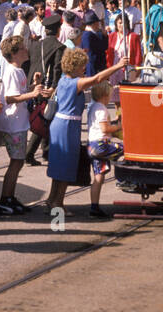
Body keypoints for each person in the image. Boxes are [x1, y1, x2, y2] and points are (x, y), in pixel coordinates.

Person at [44, 50, 121, 214]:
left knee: (58, 164)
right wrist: (118, 66)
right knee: (66, 165)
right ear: (74, 66)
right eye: (82, 66)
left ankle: (52, 199)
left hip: (59, 124)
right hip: (68, 126)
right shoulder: (75, 83)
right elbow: (97, 79)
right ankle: (58, 203)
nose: (84, 69)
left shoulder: (63, 80)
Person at [0, 34, 50, 215]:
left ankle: (9, 196)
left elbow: (19, 92)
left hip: (18, 121)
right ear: (15, 53)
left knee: (17, 162)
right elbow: (10, 97)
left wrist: (35, 86)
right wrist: (32, 95)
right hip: (13, 123)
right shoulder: (12, 71)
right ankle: (5, 199)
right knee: (16, 162)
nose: (27, 50)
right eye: (23, 48)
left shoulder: (18, 70)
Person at [85, 81, 123, 218]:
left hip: (92, 146)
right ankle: (126, 178)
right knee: (126, 150)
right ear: (104, 95)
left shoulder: (93, 106)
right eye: (110, 96)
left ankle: (94, 207)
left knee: (98, 177)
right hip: (101, 145)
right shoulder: (101, 108)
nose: (110, 99)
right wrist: (118, 127)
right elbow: (104, 129)